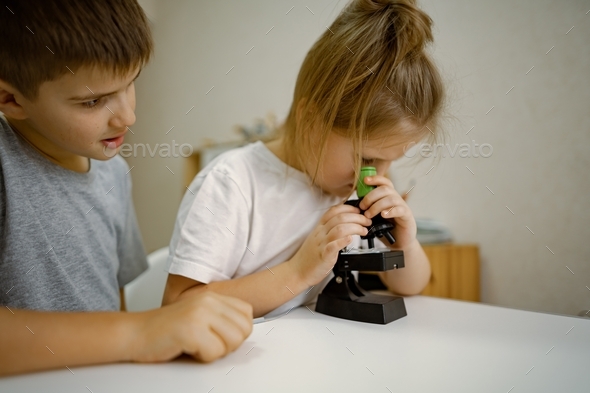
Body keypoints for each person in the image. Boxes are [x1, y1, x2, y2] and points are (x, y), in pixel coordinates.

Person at [0, 0, 252, 376]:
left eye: (131, 82)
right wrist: (144, 331)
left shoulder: (115, 174)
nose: (128, 116)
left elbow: (115, 301)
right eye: (93, 101)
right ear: (11, 99)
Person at [163, 0, 444, 318]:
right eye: (366, 157)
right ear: (311, 120)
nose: (375, 177)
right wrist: (297, 272)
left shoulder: (351, 190)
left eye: (390, 160)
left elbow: (412, 286)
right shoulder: (232, 183)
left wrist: (403, 244)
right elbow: (179, 306)